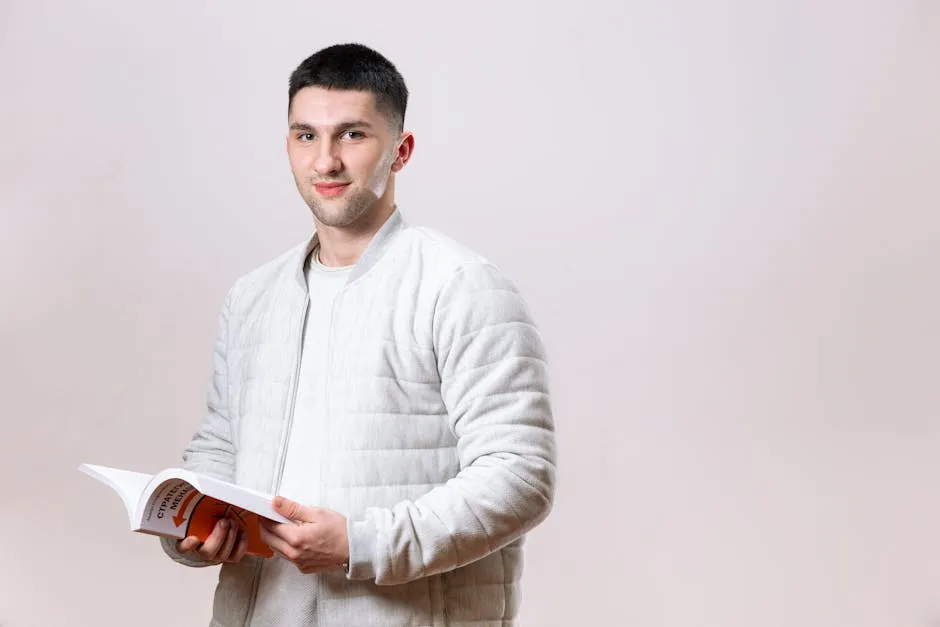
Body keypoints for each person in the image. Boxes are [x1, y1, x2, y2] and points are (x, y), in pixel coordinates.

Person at [160, 42, 557, 626]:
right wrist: (192, 526)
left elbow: (520, 476)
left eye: (352, 135)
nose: (325, 162)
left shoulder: (463, 287)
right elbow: (221, 445)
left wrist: (361, 545)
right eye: (305, 136)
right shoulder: (252, 297)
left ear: (401, 150)